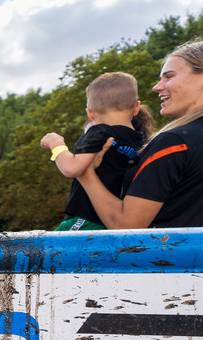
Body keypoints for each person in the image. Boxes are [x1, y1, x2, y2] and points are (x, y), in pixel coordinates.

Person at [77, 39, 203, 228]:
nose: (157, 87)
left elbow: (128, 226)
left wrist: (84, 172)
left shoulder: (175, 142)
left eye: (169, 76)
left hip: (167, 257)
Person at [40, 72, 153, 230]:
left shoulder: (99, 133)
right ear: (136, 108)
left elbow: (72, 168)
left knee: (49, 254)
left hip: (85, 221)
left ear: (90, 113)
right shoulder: (141, 142)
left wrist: (56, 144)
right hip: (113, 220)